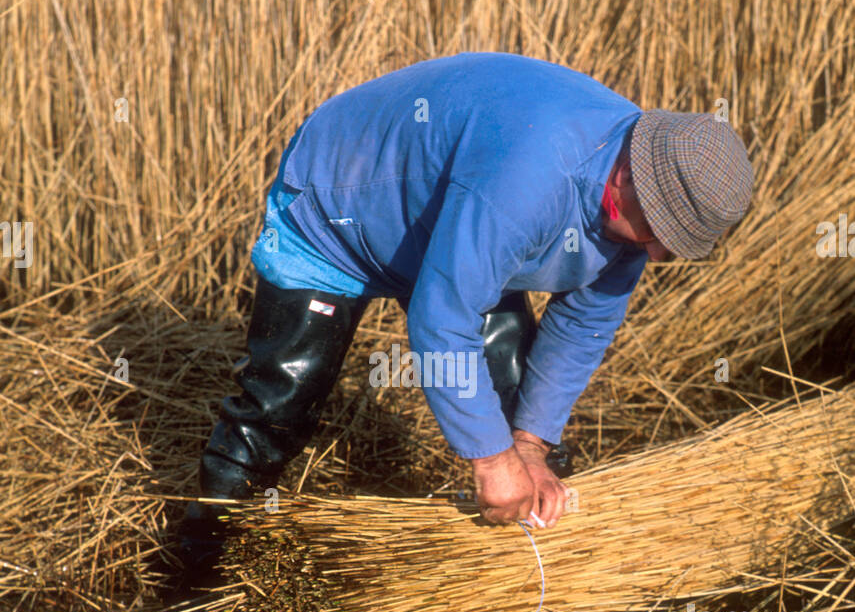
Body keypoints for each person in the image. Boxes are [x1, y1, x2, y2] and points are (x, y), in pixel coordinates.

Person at [178, 52, 753, 581]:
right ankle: (201, 580)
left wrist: (527, 445)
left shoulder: (639, 185)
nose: (655, 255)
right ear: (625, 180)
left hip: (460, 225)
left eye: (673, 246)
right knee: (278, 408)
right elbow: (442, 317)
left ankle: (511, 587)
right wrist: (490, 457)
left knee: (524, 430)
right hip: (339, 204)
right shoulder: (531, 180)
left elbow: (583, 325)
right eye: (657, 233)